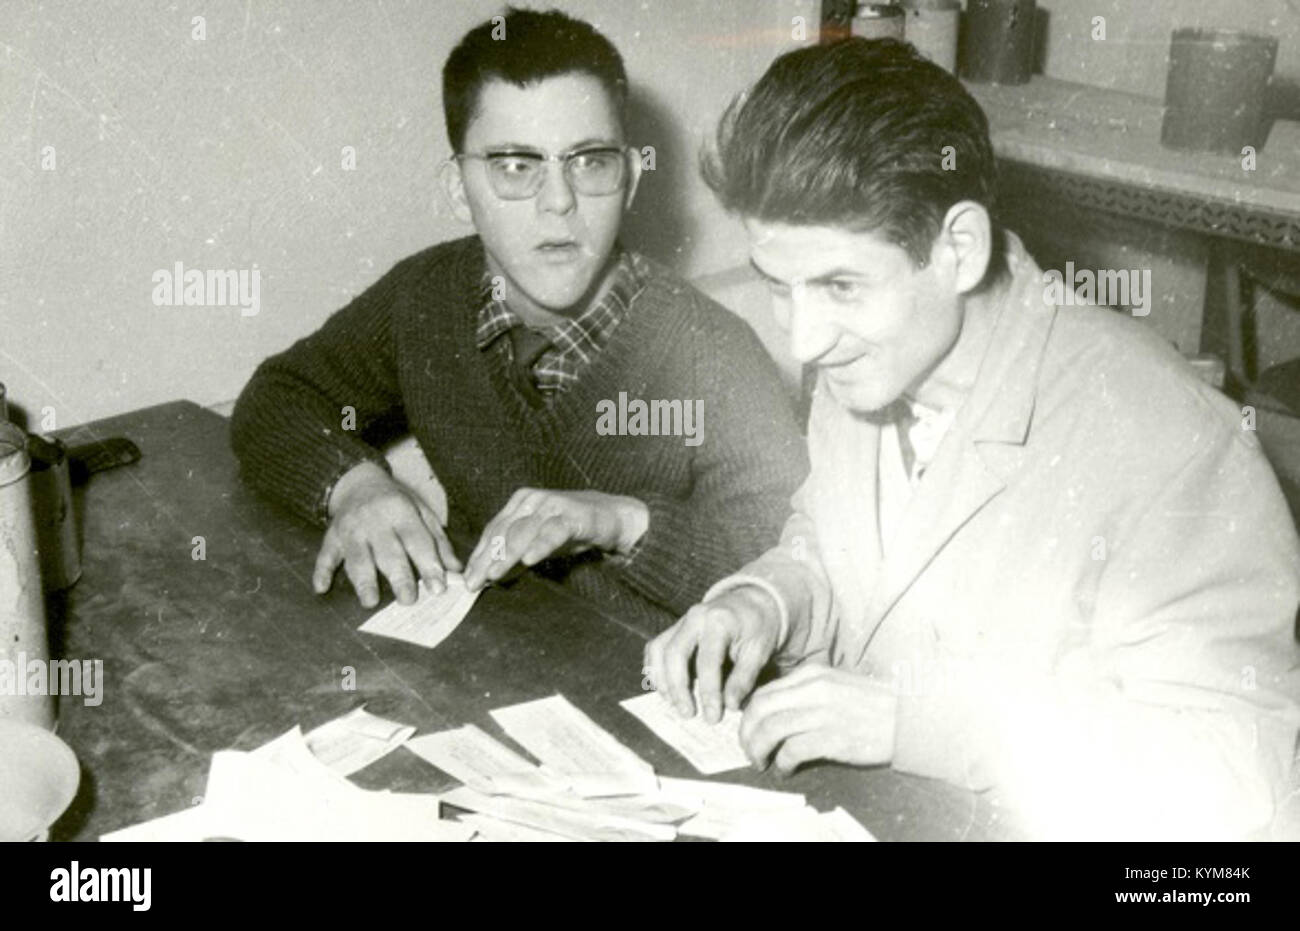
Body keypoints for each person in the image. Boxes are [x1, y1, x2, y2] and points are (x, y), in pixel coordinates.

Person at [644, 37, 1300, 839]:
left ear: (959, 248)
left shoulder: (1168, 441)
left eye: (840, 285)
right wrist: (770, 598)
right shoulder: (873, 359)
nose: (803, 338)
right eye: (779, 287)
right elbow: (846, 550)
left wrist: (919, 723)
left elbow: (1235, 783)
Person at [230, 7, 806, 634]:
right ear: (458, 191)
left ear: (631, 179)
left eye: (589, 161)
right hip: (485, 663)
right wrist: (353, 486)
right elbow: (279, 395)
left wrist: (617, 521)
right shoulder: (424, 297)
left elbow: (795, 566)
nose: (559, 202)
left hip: (659, 696)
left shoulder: (716, 356)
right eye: (515, 166)